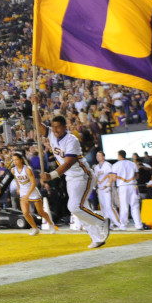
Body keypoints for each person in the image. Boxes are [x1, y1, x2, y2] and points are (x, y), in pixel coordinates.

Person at [32, 94, 110, 248]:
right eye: (53, 127)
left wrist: (51, 175)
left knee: (74, 207)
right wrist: (35, 105)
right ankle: (96, 237)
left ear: (64, 127)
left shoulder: (71, 140)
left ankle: (102, 221)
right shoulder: (51, 135)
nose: (55, 130)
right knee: (80, 208)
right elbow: (37, 124)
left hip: (83, 176)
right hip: (70, 177)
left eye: (58, 127)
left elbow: (68, 163)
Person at [12, 152, 56, 235]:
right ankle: (35, 228)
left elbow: (33, 183)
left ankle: (51, 224)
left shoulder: (27, 169)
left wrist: (28, 195)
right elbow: (16, 179)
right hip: (23, 193)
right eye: (13, 160)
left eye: (16, 160)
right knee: (25, 213)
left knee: (40, 212)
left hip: (32, 192)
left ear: (21, 160)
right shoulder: (13, 170)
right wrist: (18, 188)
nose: (15, 162)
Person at [112, 150, 143, 230]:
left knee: (124, 206)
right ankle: (139, 225)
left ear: (119, 156)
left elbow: (114, 178)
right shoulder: (132, 164)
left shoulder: (115, 165)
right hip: (133, 186)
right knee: (135, 206)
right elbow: (137, 176)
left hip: (122, 187)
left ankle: (123, 225)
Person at [93, 152, 119, 226]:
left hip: (107, 188)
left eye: (99, 155)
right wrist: (94, 186)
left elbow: (111, 176)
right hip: (100, 189)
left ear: (103, 156)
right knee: (103, 207)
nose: (98, 157)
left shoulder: (107, 165)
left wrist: (108, 184)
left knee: (109, 206)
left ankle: (118, 223)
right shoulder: (96, 167)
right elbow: (96, 178)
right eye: (97, 155)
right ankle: (109, 224)